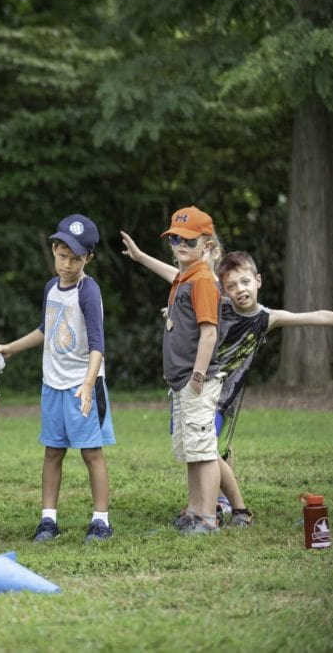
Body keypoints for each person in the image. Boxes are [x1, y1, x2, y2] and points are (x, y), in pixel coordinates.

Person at [122, 234, 333, 528]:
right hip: (198, 383)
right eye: (231, 286)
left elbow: (318, 316)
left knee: (206, 449)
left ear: (258, 280)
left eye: (245, 282)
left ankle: (237, 509)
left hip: (221, 393)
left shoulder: (267, 318)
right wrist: (142, 258)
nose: (239, 290)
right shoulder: (219, 301)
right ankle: (207, 505)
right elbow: (178, 279)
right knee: (197, 448)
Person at [0, 214, 115, 543]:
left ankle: (101, 521)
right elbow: (45, 329)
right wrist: (11, 348)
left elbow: (97, 346)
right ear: (53, 250)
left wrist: (89, 385)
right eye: (62, 256)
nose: (67, 264)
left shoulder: (88, 292)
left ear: (88, 258)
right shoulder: (51, 287)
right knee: (52, 451)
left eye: (75, 259)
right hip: (53, 385)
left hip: (83, 386)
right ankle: (48, 520)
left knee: (92, 453)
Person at [138, 205, 224, 535]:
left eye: (189, 240)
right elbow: (167, 270)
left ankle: (208, 518)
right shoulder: (183, 277)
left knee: (204, 451)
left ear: (207, 245)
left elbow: (209, 332)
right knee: (191, 450)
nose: (181, 245)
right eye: (175, 238)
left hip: (196, 381)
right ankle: (192, 512)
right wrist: (139, 256)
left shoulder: (202, 279)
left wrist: (198, 377)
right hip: (182, 382)